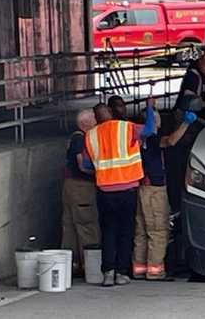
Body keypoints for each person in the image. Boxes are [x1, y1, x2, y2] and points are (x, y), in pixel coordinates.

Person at [80, 99, 156, 287]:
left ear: (96, 119)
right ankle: (121, 273)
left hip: (104, 191)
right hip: (127, 190)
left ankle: (108, 273)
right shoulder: (126, 127)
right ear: (111, 113)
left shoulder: (90, 136)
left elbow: (87, 164)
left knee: (108, 232)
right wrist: (150, 108)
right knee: (126, 231)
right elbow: (150, 130)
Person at [132, 106, 197, 280]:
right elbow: (171, 141)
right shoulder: (152, 138)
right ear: (152, 121)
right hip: (154, 190)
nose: (160, 120)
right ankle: (155, 271)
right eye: (157, 117)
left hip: (141, 188)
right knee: (158, 230)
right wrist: (185, 124)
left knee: (142, 231)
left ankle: (139, 268)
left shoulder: (138, 138)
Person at [61, 109, 100, 276]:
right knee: (87, 225)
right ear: (86, 123)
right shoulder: (80, 138)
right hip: (82, 187)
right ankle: (90, 265)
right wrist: (99, 172)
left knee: (69, 226)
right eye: (95, 119)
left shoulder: (74, 138)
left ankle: (71, 264)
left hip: (70, 186)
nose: (97, 122)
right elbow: (82, 164)